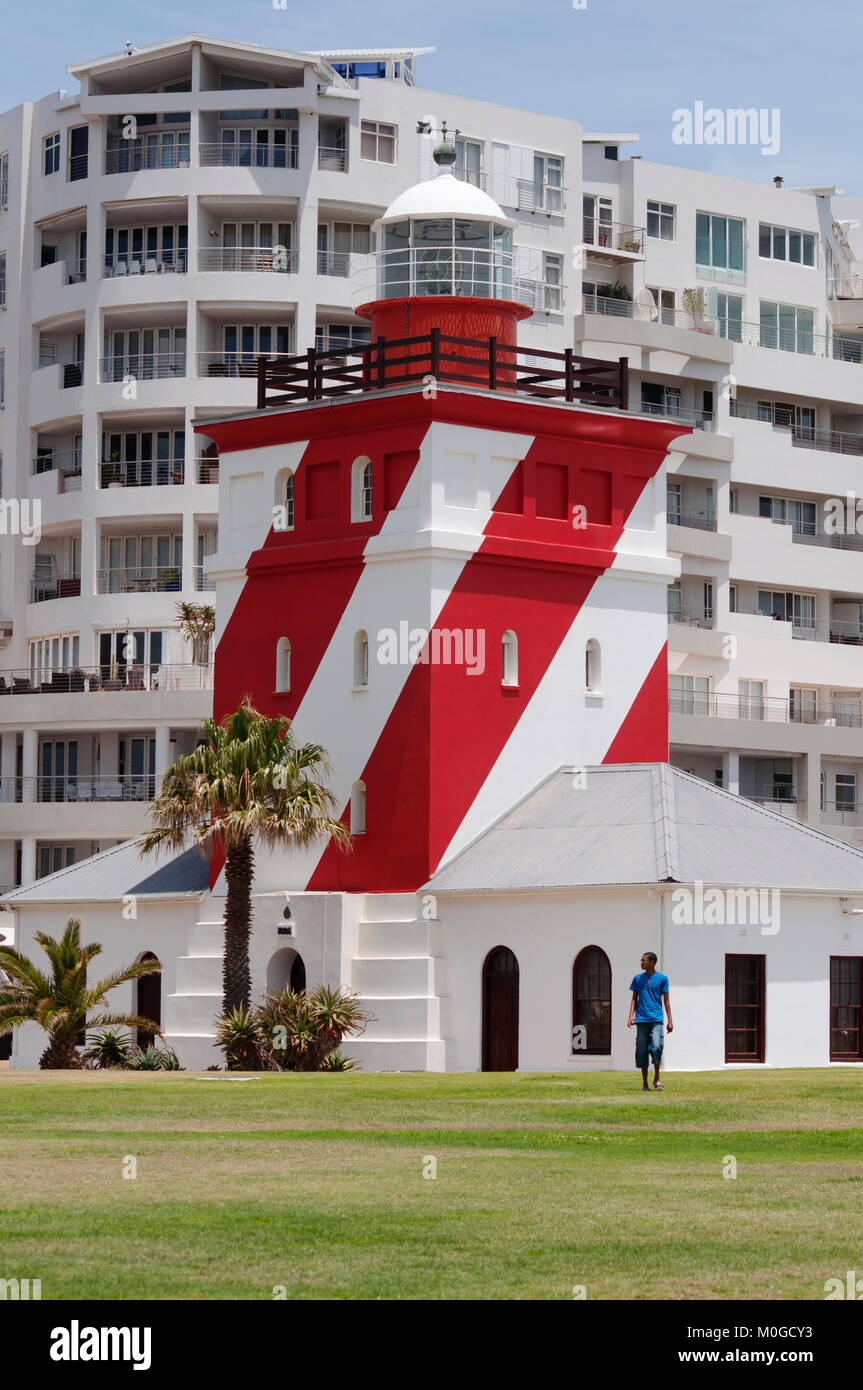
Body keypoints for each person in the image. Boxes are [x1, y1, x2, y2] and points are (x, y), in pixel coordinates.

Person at [628, 952, 673, 1091]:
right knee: (641, 1051)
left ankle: (657, 1078)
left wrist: (670, 1020)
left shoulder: (662, 979)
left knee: (656, 1046)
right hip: (641, 1020)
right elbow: (634, 999)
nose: (641, 963)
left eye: (644, 960)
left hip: (656, 1019)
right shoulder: (637, 979)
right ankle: (645, 1084)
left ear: (652, 962)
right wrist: (630, 1016)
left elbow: (666, 1000)